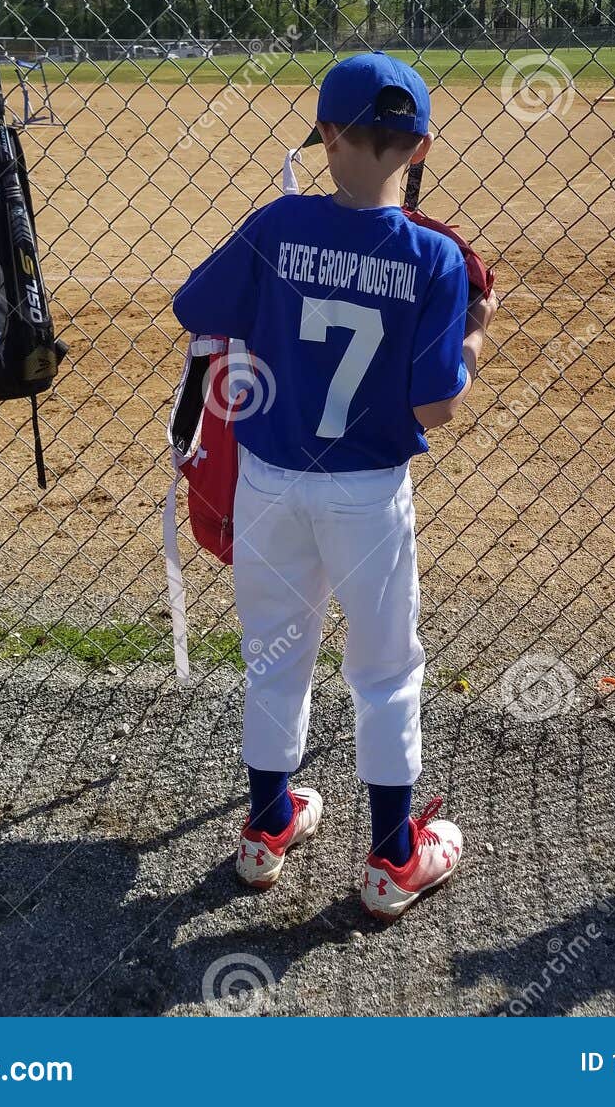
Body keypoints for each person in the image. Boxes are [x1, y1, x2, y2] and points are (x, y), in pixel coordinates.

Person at [172, 52, 497, 920]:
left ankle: (266, 826)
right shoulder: (432, 257)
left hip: (271, 481)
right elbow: (437, 406)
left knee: (276, 655)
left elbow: (196, 308)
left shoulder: (277, 226)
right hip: (365, 493)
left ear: (325, 134)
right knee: (386, 670)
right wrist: (471, 346)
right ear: (421, 146)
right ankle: (394, 856)